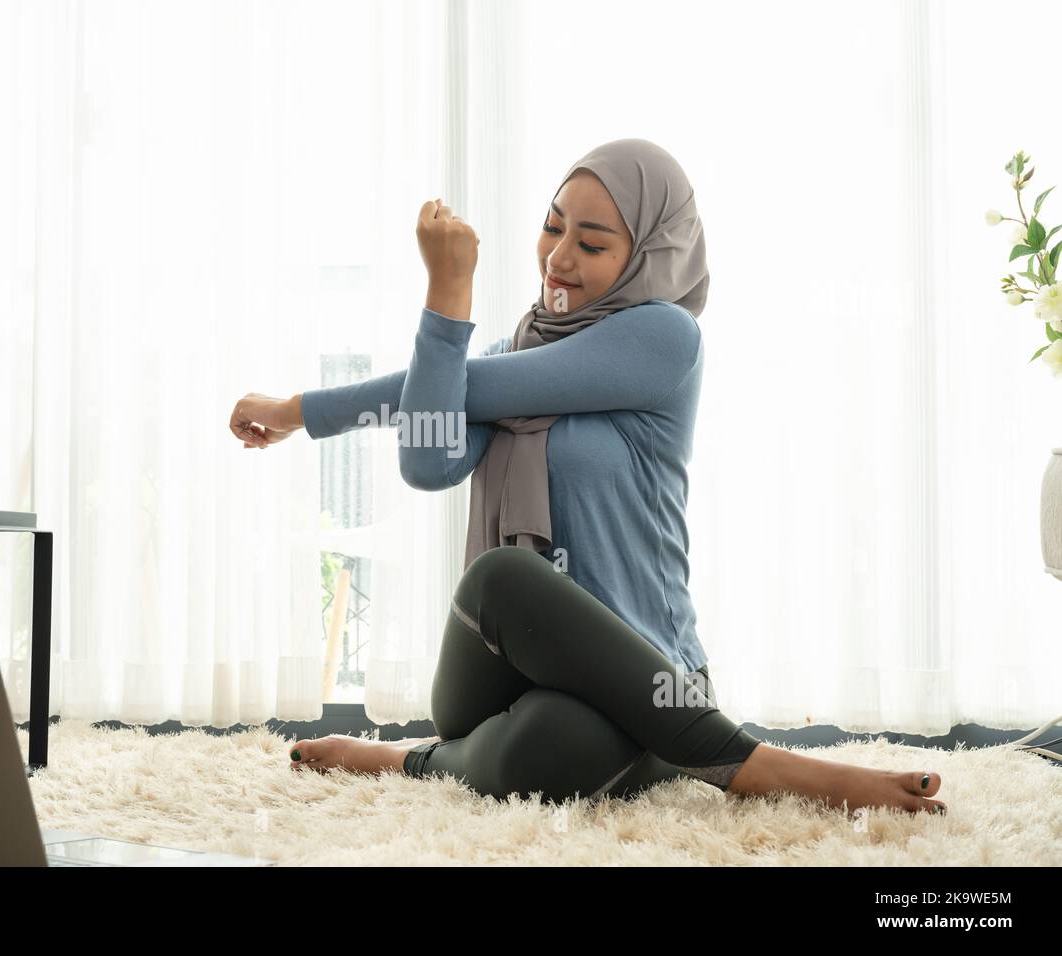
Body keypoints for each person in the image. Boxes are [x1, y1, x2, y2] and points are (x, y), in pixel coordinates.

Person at [228, 139, 947, 815]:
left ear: (650, 253)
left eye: (593, 243)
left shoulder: (665, 338)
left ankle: (418, 761)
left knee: (553, 749)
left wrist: (301, 410)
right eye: (552, 227)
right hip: (498, 677)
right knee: (501, 580)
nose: (560, 257)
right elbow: (428, 460)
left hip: (656, 684)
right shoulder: (515, 352)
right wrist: (448, 292)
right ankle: (752, 765)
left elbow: (464, 388)